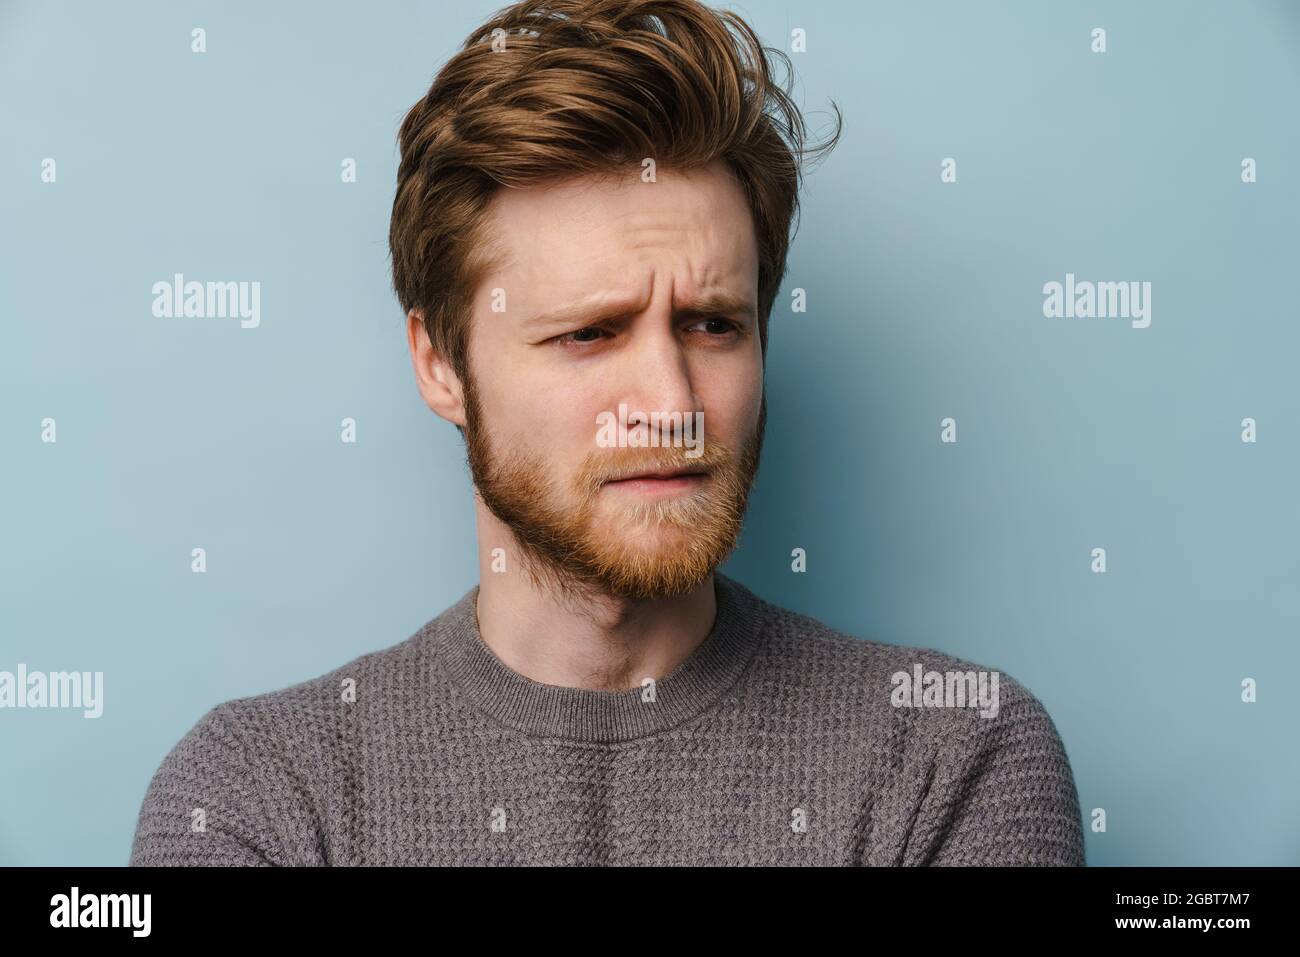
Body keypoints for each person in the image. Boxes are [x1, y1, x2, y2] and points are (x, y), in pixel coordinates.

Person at [130, 0, 1084, 866]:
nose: (671, 401)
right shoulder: (260, 797)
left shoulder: (952, 756)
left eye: (714, 323)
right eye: (589, 333)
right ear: (441, 364)